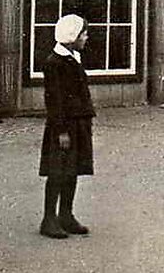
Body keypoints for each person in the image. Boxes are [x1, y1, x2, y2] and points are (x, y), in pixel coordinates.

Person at [38, 14, 96, 239]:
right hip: (63, 125)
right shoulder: (55, 62)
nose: (86, 37)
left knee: (72, 171)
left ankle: (66, 215)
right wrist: (61, 130)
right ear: (72, 36)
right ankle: (49, 218)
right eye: (83, 33)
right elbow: (54, 99)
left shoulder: (74, 57)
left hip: (78, 122)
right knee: (58, 172)